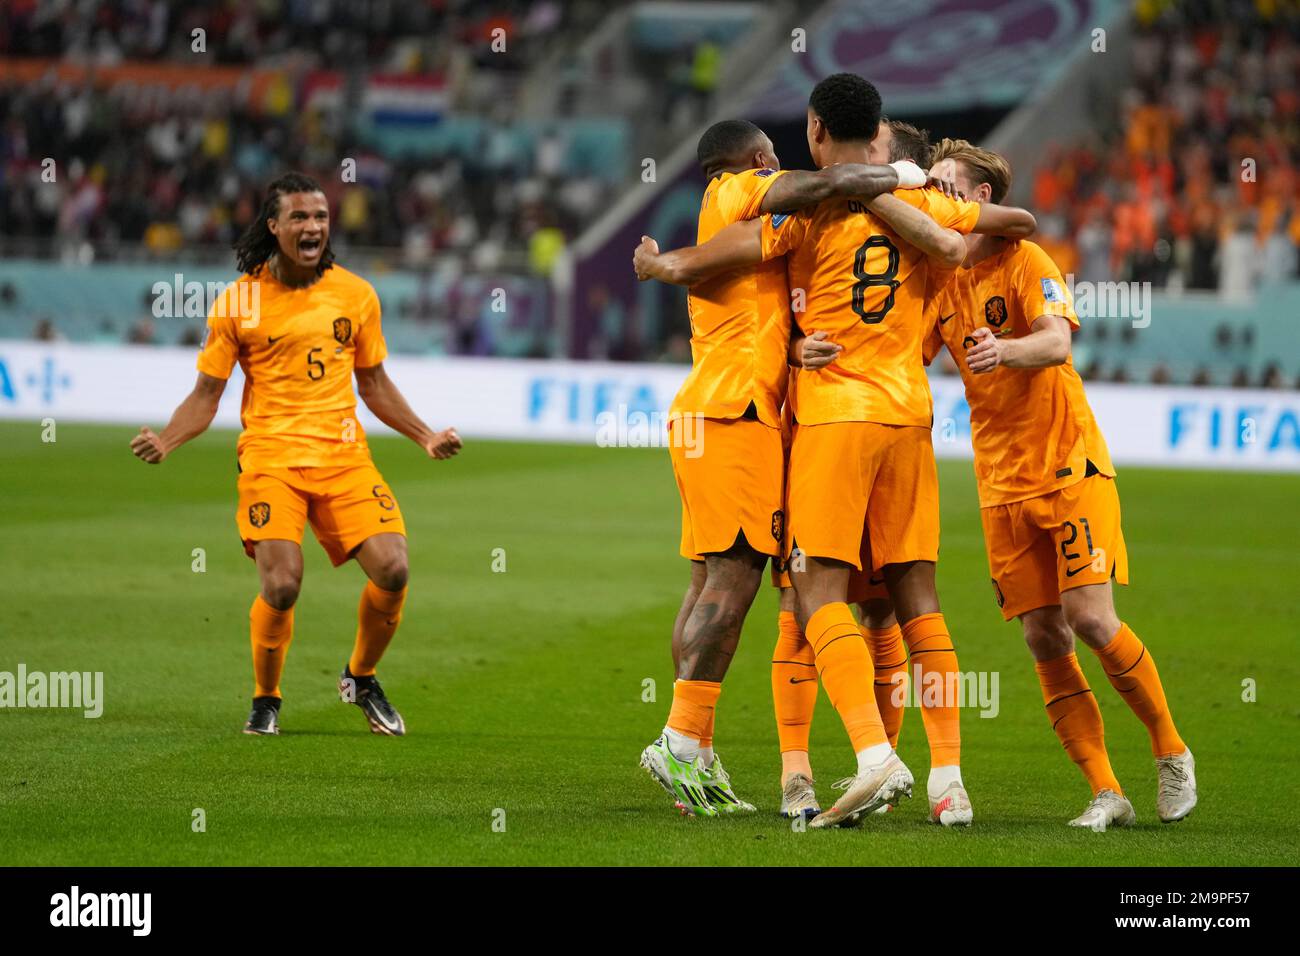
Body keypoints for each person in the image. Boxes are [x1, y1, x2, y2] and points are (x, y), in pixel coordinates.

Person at [918, 139, 1196, 830]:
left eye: (949, 187)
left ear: (983, 200)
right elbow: (904, 353)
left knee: (1092, 619)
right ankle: (1107, 791)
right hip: (999, 485)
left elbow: (1056, 342)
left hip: (1068, 463)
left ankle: (1171, 749)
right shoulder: (940, 281)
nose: (937, 197)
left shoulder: (1026, 261)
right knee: (1044, 637)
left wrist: (1002, 348)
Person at [130, 172, 462, 736]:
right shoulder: (239, 301)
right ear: (274, 225)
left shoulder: (355, 294)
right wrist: (168, 439)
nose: (313, 227)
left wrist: (424, 435)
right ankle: (266, 698)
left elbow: (374, 384)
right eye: (301, 218)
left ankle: (360, 676)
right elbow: (207, 394)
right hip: (271, 457)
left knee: (394, 568)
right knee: (282, 583)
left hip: (343, 456)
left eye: (322, 217)